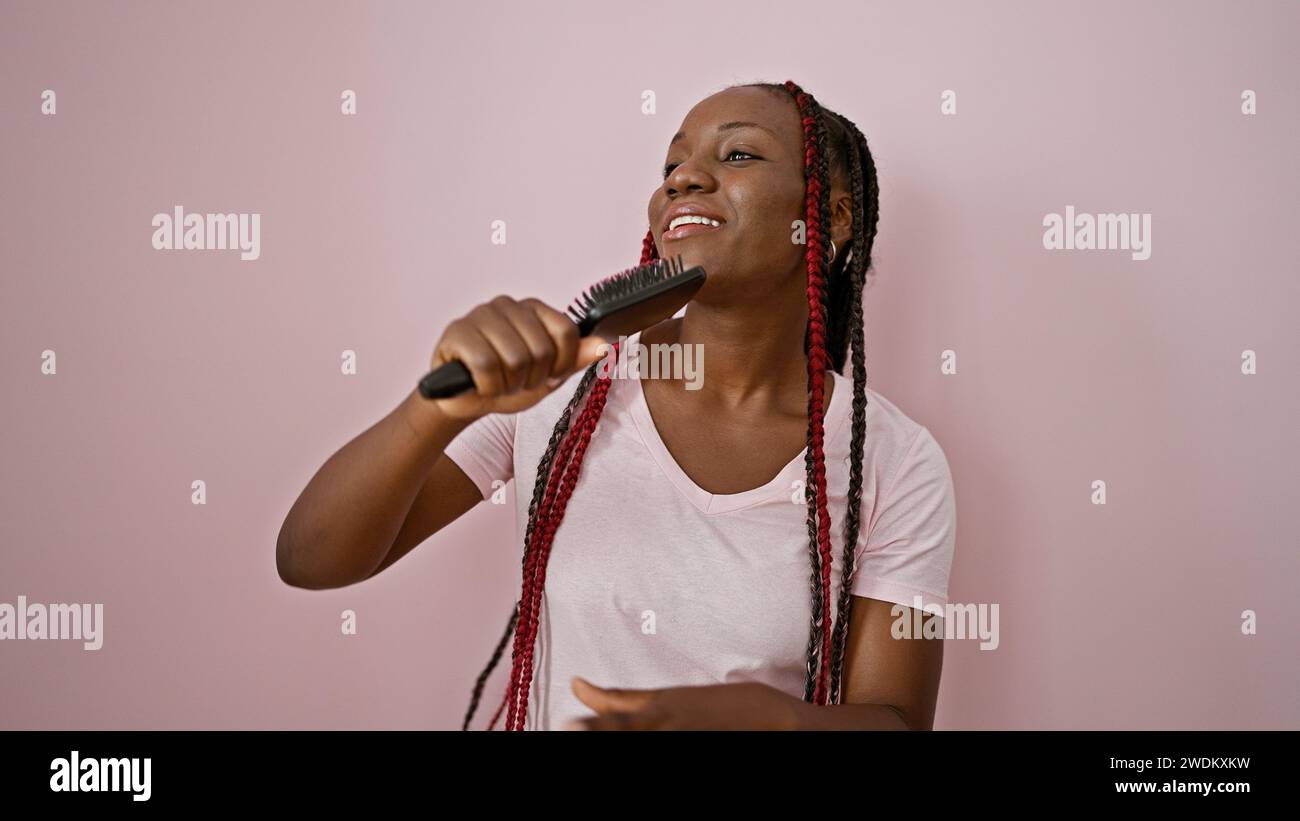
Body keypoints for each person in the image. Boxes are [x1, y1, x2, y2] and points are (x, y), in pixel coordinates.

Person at [277, 80, 957, 731]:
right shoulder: (557, 384)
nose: (681, 179)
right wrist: (438, 408)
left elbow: (894, 716)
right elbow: (311, 558)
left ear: (831, 217)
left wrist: (773, 720)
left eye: (739, 153)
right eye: (672, 163)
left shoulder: (896, 461)